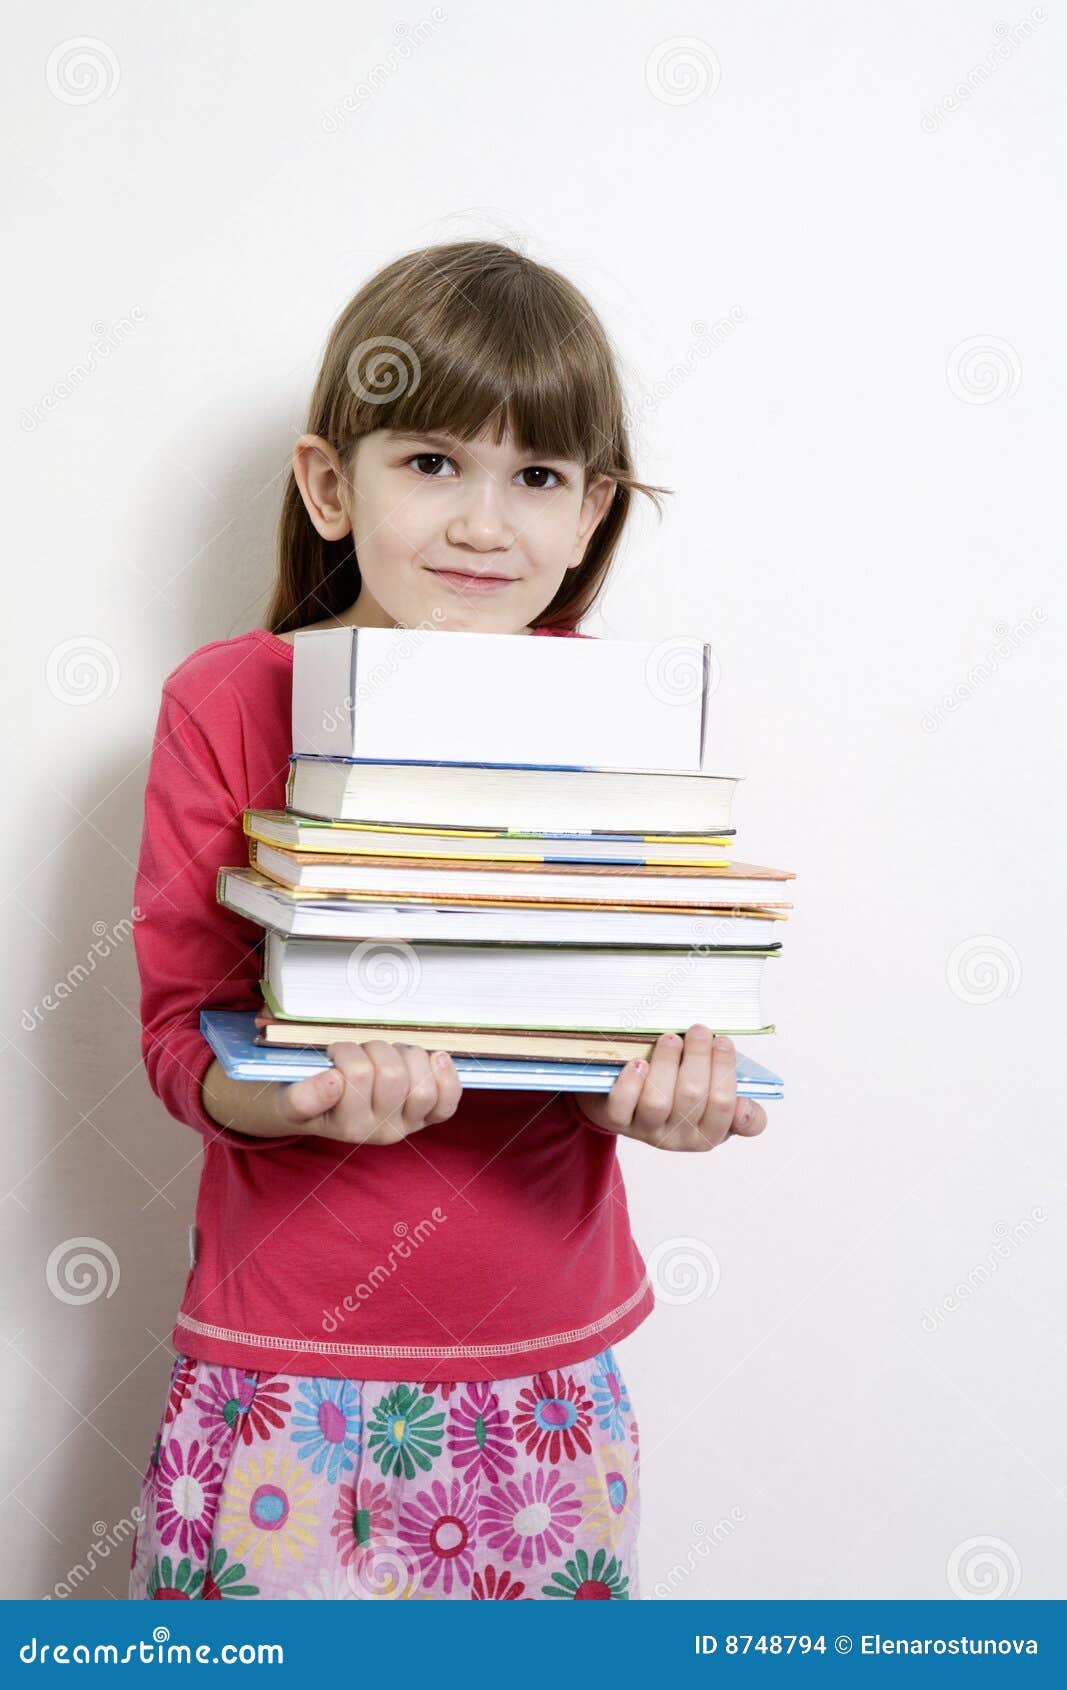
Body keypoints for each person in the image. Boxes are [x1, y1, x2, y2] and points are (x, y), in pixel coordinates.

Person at [127, 240, 768, 1602]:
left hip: (546, 1377)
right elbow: (182, 1042)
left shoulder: (624, 716)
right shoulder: (230, 699)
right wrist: (294, 1099)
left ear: (592, 511)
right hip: (286, 1371)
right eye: (430, 463)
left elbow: (634, 1004)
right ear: (328, 485)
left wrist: (653, 1093)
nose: (485, 523)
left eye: (535, 477)